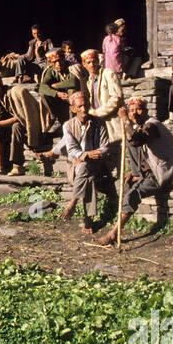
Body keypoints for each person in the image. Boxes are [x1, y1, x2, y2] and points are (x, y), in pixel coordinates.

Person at [99, 96, 173, 245]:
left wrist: (125, 119)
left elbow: (135, 140)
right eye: (131, 111)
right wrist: (134, 172)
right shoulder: (139, 126)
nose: (135, 113)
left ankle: (113, 233)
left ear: (146, 110)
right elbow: (136, 146)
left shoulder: (152, 125)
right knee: (126, 185)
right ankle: (120, 218)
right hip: (148, 172)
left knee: (132, 195)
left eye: (139, 109)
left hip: (161, 173)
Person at [60, 91, 113, 236]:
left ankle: (73, 201)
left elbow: (105, 145)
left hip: (99, 163)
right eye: (80, 106)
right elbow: (72, 149)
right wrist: (85, 155)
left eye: (86, 105)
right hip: (77, 165)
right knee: (87, 173)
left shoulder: (99, 122)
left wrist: (98, 153)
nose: (84, 109)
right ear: (73, 109)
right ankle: (88, 218)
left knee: (86, 168)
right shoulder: (68, 126)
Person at [37, 49, 80, 124]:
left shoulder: (72, 67)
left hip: (74, 96)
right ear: (51, 63)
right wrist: (57, 93)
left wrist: (55, 85)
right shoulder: (51, 70)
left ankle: (72, 119)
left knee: (71, 90)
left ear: (64, 59)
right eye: (54, 62)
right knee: (43, 94)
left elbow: (74, 82)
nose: (58, 64)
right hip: (60, 97)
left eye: (60, 60)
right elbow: (42, 87)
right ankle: (54, 117)